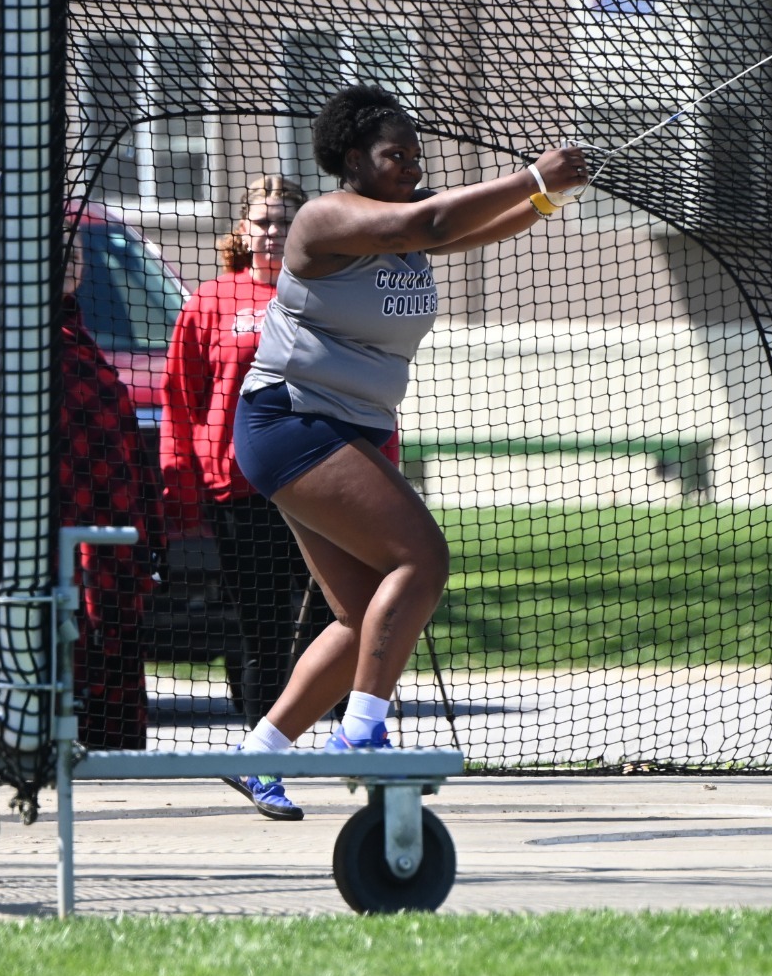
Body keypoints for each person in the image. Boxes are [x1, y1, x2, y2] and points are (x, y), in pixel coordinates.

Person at [218, 85, 587, 818]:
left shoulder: (404, 225)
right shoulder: (325, 219)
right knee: (422, 560)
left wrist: (550, 198)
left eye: (417, 157)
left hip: (335, 428)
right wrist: (535, 175)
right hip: (290, 421)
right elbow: (436, 217)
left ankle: (258, 751)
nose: (411, 168)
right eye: (396, 156)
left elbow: (462, 229)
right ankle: (360, 734)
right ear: (352, 160)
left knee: (361, 618)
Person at [162, 175, 388, 725]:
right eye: (262, 221)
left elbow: (363, 384)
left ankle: (329, 731)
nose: (272, 232)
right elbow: (180, 398)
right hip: (241, 490)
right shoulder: (213, 300)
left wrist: (381, 468)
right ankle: (261, 743)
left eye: (284, 222)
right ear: (242, 229)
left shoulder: (325, 292)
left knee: (331, 614)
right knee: (258, 625)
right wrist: (182, 483)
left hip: (319, 482)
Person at [59, 248, 161, 750]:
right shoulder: (18, 345)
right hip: (55, 547)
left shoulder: (81, 341)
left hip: (108, 542)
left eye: (72, 250)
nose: (66, 259)